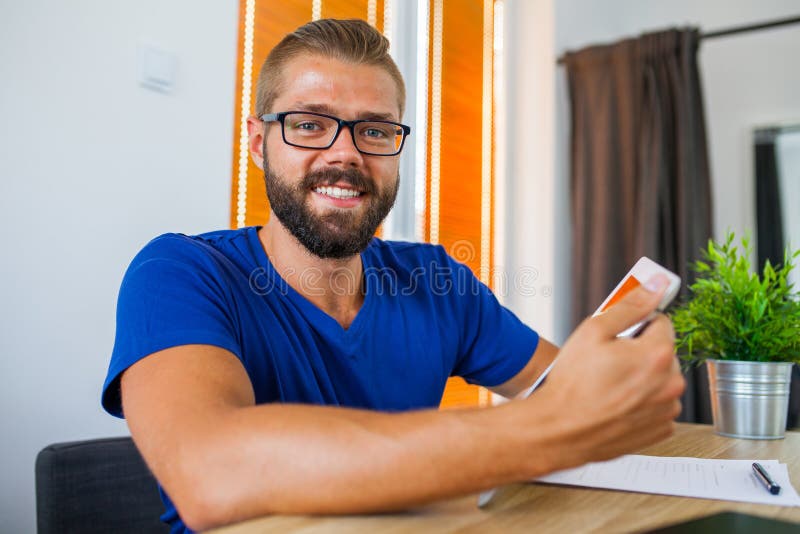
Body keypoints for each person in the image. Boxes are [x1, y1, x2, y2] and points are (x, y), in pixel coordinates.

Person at [102, 18, 685, 534]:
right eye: (309, 124)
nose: (346, 153)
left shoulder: (435, 280)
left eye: (375, 130)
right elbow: (211, 475)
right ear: (258, 143)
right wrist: (550, 424)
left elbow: (573, 398)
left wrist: (617, 380)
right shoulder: (179, 274)